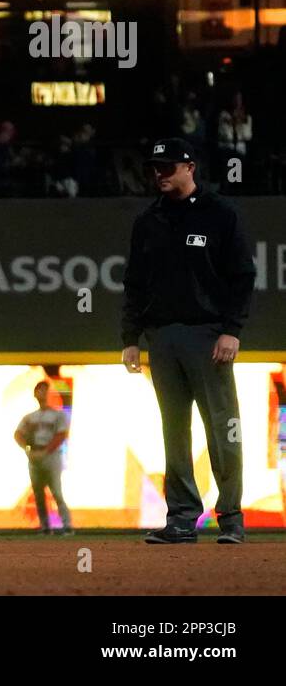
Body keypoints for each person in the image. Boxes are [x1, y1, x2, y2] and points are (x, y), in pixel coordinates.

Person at [121, 138, 255, 544]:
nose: (159, 174)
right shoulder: (148, 221)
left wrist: (232, 329)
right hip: (162, 336)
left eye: (167, 166)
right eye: (155, 168)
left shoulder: (219, 214)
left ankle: (230, 516)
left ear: (189, 167)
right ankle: (181, 518)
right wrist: (130, 337)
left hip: (209, 334)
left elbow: (242, 276)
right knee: (173, 430)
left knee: (222, 427)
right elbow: (135, 284)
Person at [13, 381, 73, 535]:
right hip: (34, 455)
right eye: (39, 390)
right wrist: (28, 450)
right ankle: (45, 527)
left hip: (51, 455)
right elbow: (18, 435)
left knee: (56, 492)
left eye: (44, 390)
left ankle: (67, 525)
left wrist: (46, 451)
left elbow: (61, 435)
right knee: (38, 493)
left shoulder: (58, 415)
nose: (42, 393)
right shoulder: (30, 417)